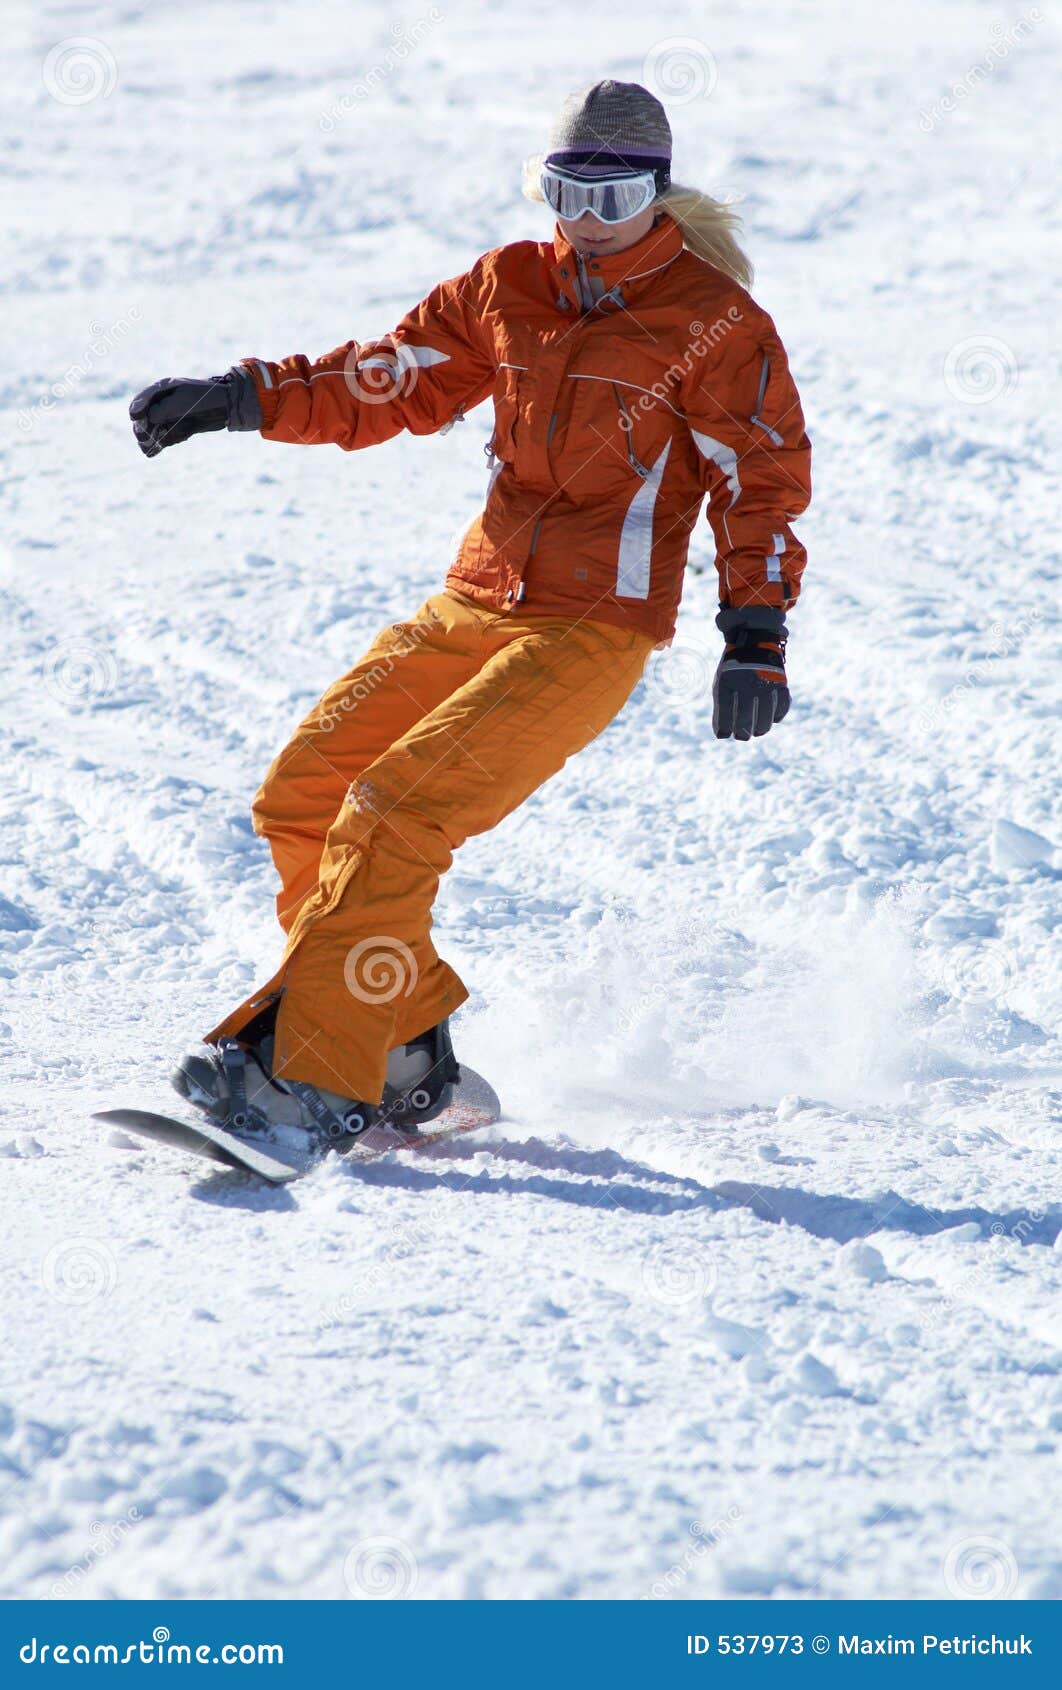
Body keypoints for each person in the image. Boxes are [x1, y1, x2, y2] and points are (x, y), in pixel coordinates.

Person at [128, 79, 812, 1143]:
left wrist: (755, 633)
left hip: (592, 628)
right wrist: (245, 397)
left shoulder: (714, 321)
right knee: (303, 795)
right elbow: (386, 380)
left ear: (660, 195)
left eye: (616, 196)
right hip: (477, 598)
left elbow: (757, 477)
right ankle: (404, 1049)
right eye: (565, 193)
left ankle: (315, 1082)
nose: (587, 222)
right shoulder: (509, 285)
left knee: (395, 811)